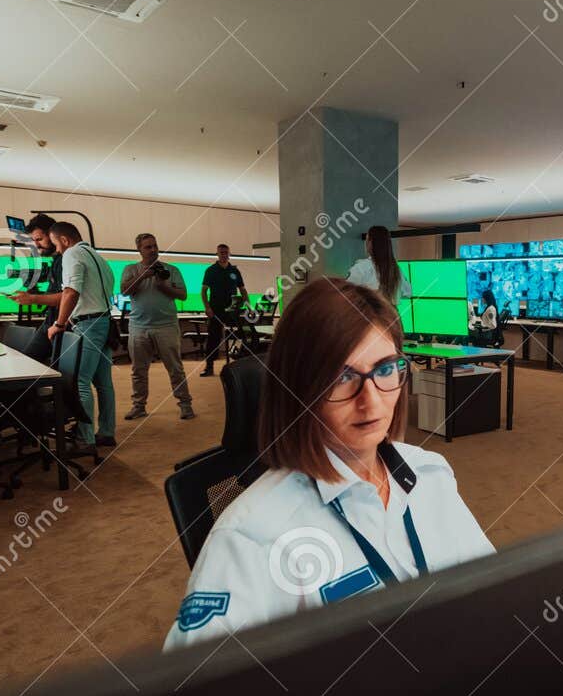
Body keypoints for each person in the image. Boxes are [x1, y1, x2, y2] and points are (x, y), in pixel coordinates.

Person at [164, 278, 493, 649]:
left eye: (385, 369)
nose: (371, 402)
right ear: (297, 388)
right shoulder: (250, 538)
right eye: (343, 377)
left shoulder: (430, 473)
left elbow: (493, 589)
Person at [45, 221, 116, 453]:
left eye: (56, 244)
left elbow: (71, 291)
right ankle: (106, 433)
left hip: (88, 324)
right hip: (104, 322)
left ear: (64, 240)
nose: (56, 250)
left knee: (80, 382)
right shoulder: (98, 257)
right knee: (104, 384)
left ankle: (86, 441)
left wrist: (59, 323)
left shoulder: (72, 254)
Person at [121, 233, 194, 421]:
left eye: (154, 246)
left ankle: (185, 405)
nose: (153, 250)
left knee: (175, 369)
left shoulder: (171, 270)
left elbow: (183, 295)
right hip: (138, 327)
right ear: (139, 250)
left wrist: (163, 286)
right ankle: (139, 406)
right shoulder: (131, 269)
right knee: (138, 370)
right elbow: (124, 290)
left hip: (166, 326)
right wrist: (142, 277)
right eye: (148, 247)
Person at [9, 213, 62, 359]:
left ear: (53, 235)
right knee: (31, 360)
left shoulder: (66, 260)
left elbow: (66, 296)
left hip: (60, 323)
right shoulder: (56, 261)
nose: (36, 245)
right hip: (52, 320)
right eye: (33, 240)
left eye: (39, 239)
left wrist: (32, 298)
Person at [200, 243, 245, 376]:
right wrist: (207, 308)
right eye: (221, 253)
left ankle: (239, 364)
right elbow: (203, 291)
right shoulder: (211, 270)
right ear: (217, 254)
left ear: (229, 253)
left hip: (233, 310)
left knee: (242, 334)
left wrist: (248, 306)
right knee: (214, 338)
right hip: (215, 310)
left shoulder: (235, 271)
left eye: (226, 252)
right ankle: (209, 367)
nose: (224, 255)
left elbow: (243, 290)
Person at [346, 225, 407, 302]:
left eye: (367, 239)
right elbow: (407, 292)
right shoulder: (395, 268)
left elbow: (346, 293)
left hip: (369, 312)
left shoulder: (362, 267)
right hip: (391, 312)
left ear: (370, 242)